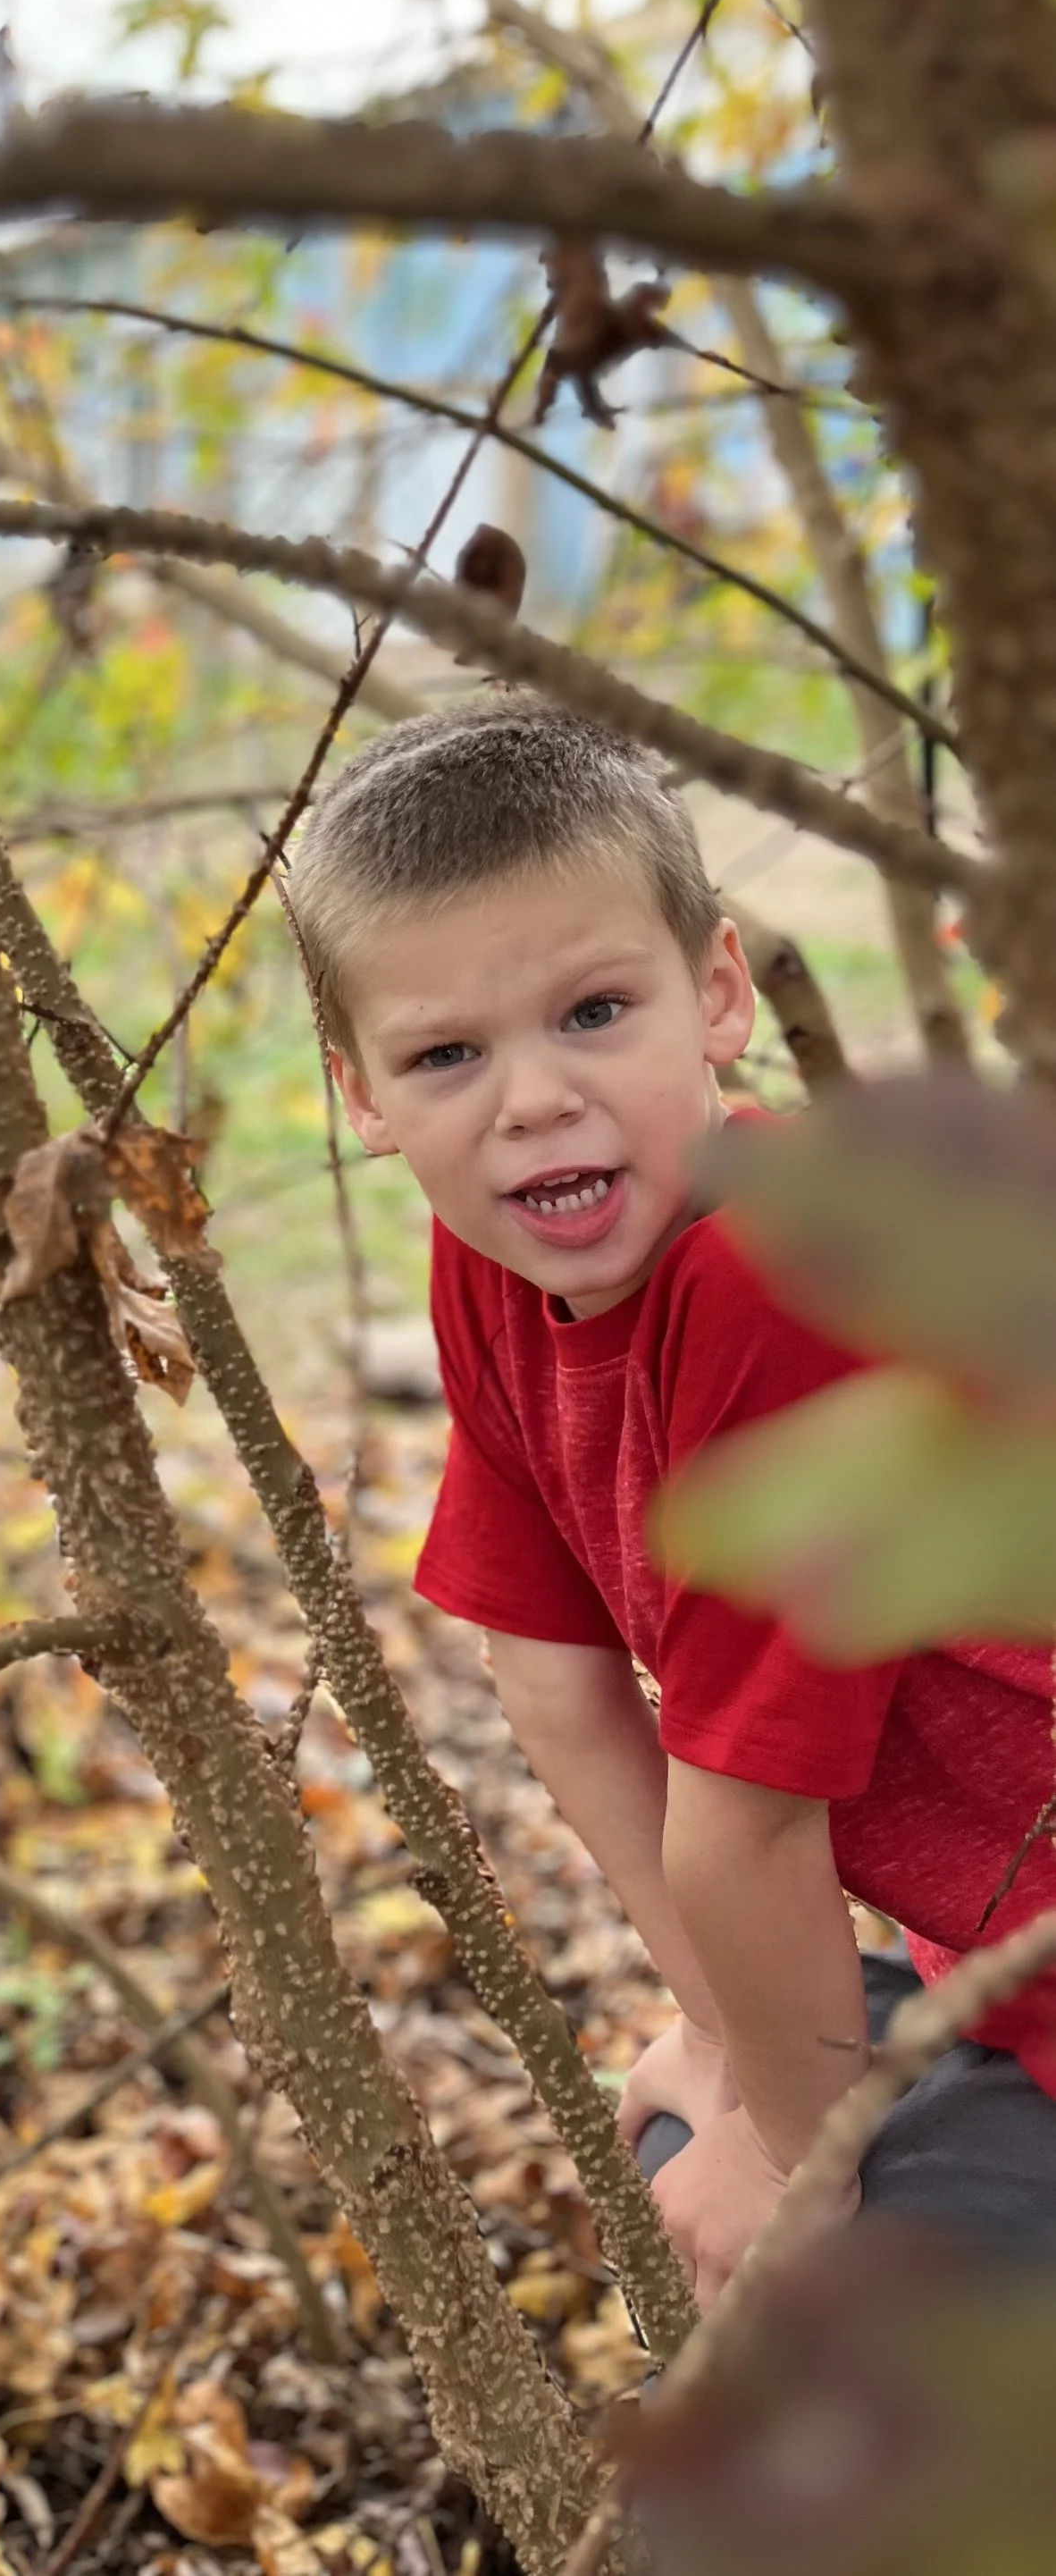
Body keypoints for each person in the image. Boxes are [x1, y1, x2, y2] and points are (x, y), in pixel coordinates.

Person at [287, 697, 1056, 2306]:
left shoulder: (780, 1277)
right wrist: (719, 2038)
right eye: (446, 1056)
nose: (530, 1104)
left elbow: (751, 1811)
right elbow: (552, 1678)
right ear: (361, 1093)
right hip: (990, 1973)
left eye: (591, 1013)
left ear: (714, 992)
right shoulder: (501, 1254)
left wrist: (790, 2151)